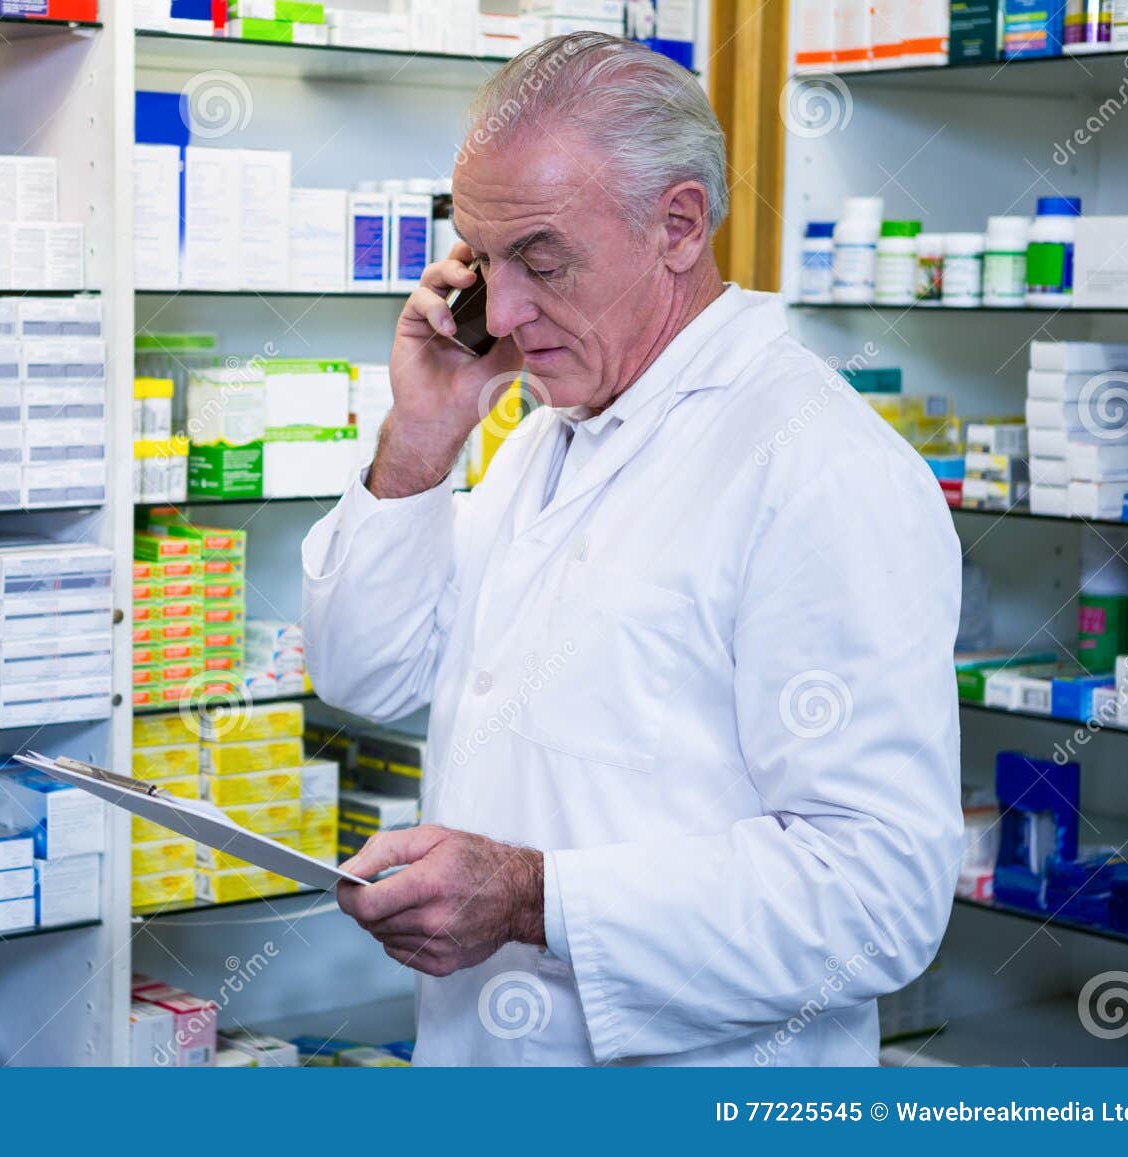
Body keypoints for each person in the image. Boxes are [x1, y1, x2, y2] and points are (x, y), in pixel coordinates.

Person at [300, 33, 963, 1066]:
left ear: (678, 226)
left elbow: (878, 898)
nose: (501, 312)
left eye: (541, 259)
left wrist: (533, 897)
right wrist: (424, 430)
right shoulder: (546, 438)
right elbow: (361, 671)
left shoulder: (820, 467)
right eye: (483, 261)